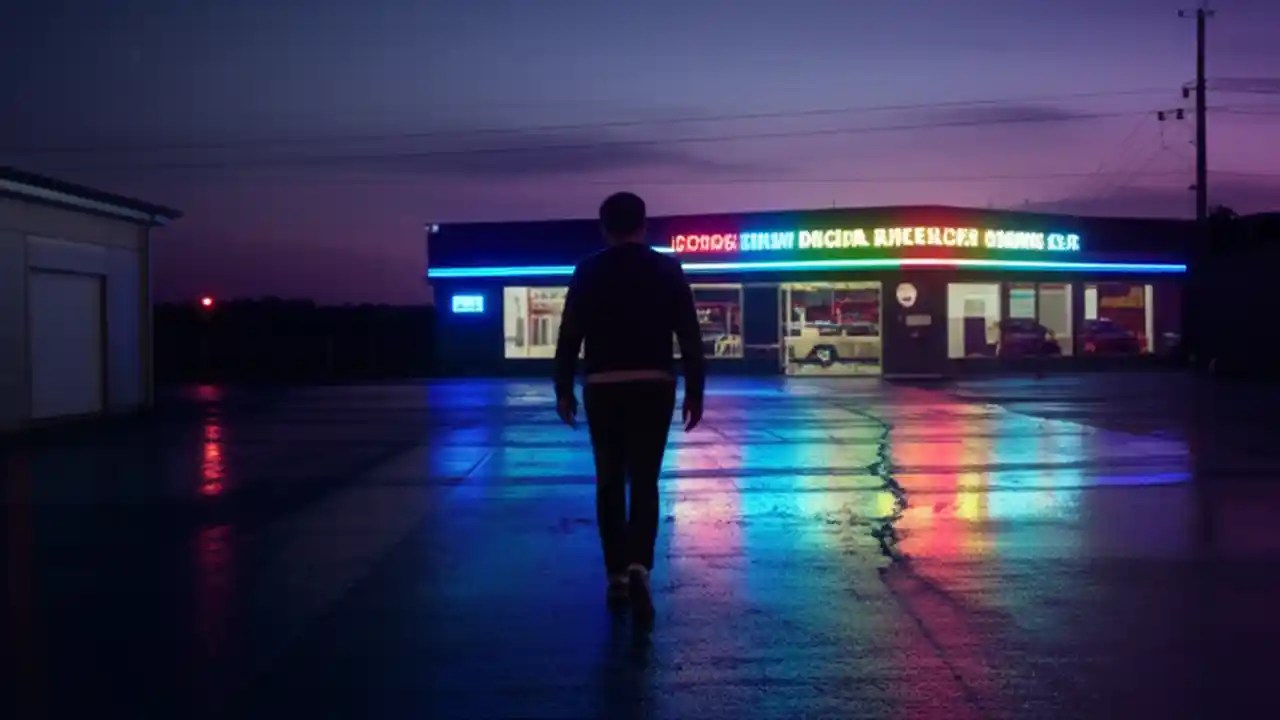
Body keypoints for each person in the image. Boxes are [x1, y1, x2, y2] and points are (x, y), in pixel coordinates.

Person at [554, 191, 705, 621]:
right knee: (645, 478)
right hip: (653, 385)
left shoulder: (588, 271)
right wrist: (695, 391)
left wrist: (563, 388)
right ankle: (640, 563)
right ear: (644, 224)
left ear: (604, 227)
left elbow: (569, 335)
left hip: (603, 386)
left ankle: (616, 574)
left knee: (608, 479)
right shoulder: (667, 269)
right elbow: (689, 336)